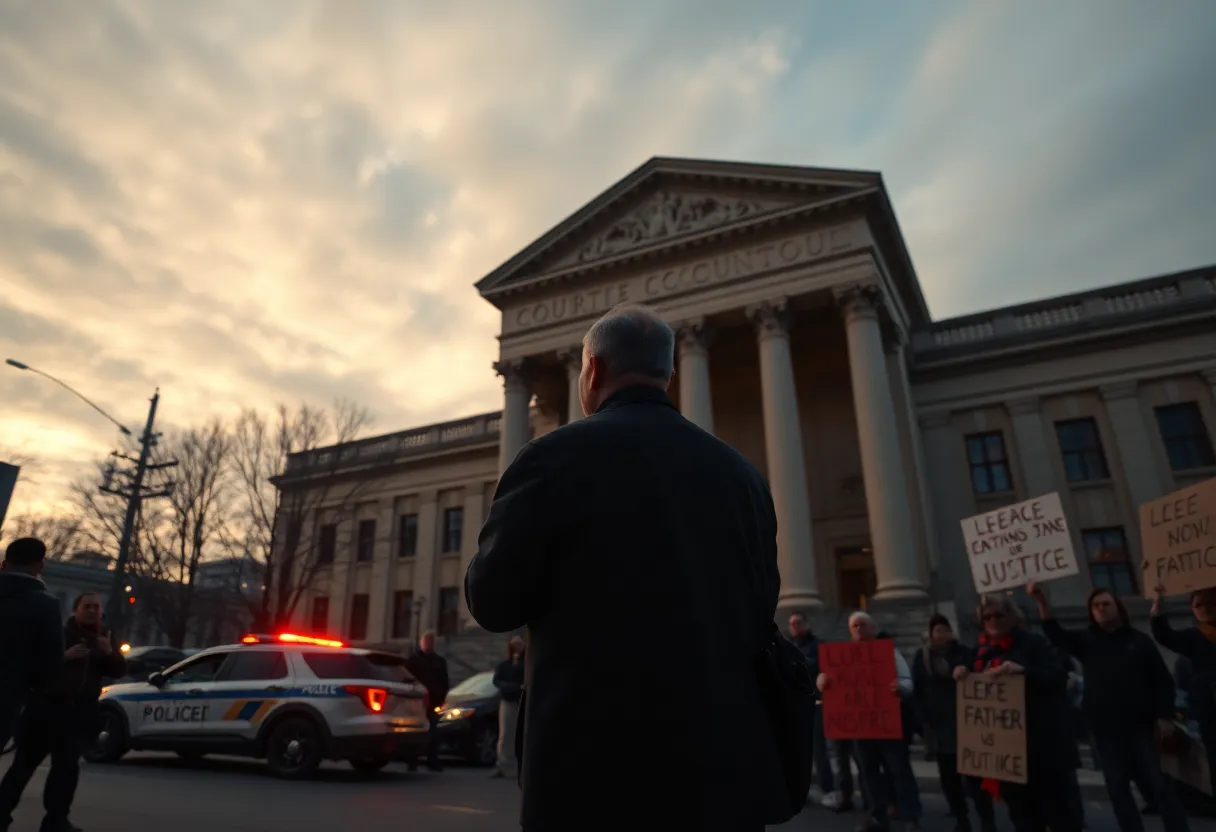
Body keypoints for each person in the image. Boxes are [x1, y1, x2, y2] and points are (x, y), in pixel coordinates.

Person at [465, 304, 786, 832]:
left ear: (591, 370)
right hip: (721, 773)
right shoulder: (744, 478)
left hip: (590, 776)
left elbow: (493, 603)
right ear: (668, 373)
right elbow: (762, 610)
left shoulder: (552, 458)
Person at [1030, 580, 1186, 832]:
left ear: (1118, 608)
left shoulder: (1140, 641)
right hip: (1104, 731)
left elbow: (1162, 682)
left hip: (1144, 728)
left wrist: (1166, 717)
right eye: (1096, 605)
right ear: (1091, 611)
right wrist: (1041, 601)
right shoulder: (1086, 640)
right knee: (1118, 788)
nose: (1101, 608)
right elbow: (1054, 632)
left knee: (1161, 786)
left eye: (1106, 603)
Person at [0, 591, 124, 832]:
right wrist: (64, 656)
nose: (91, 611)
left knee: (66, 771)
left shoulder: (105, 638)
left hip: (78, 715)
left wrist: (109, 652)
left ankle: (56, 821)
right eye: (86, 606)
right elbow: (33, 666)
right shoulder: (58, 634)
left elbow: (119, 670)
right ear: (75, 610)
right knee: (23, 766)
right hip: (45, 710)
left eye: (96, 607)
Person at [954, 594, 1078, 832]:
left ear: (1013, 617)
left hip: (1044, 750)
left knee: (1059, 817)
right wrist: (961, 672)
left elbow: (1058, 678)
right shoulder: (979, 653)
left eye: (999, 615)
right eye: (987, 616)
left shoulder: (1035, 644)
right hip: (1007, 757)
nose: (993, 620)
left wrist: (1024, 673)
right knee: (1023, 819)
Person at [818, 611, 922, 832]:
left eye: (862, 624)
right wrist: (822, 681)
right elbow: (826, 683)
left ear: (873, 628)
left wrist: (899, 687)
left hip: (888, 725)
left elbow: (908, 683)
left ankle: (910, 817)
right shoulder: (841, 659)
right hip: (861, 728)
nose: (858, 629)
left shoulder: (890, 654)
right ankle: (877, 816)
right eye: (854, 626)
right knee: (869, 773)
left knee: (899, 770)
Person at [912, 615, 995, 832]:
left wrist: (965, 669)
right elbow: (917, 690)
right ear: (931, 634)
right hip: (939, 728)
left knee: (976, 781)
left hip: (968, 724)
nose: (941, 634)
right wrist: (922, 721)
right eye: (937, 630)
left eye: (945, 629)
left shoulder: (965, 653)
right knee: (950, 782)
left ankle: (988, 821)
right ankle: (962, 820)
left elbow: (982, 675)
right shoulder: (923, 657)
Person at [0, 538, 64, 756]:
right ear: (40, 566)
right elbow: (50, 664)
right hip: (7, 699)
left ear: (4, 563)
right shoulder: (45, 605)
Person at [1150, 584, 1216, 790]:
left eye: (1208, 603)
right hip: (1209, 709)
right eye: (1197, 605)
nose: (1202, 608)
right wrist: (1158, 603)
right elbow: (1164, 635)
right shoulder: (1193, 637)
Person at [788, 612, 835, 801]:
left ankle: (828, 789)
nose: (795, 626)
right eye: (792, 624)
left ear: (806, 624)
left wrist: (799, 661)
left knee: (818, 749)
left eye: (798, 622)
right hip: (793, 705)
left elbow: (823, 669)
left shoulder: (818, 645)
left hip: (815, 704)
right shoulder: (787, 646)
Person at [404, 630, 449, 773]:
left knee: (432, 733)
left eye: (430, 641)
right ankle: (412, 761)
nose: (428, 644)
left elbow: (444, 682)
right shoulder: (413, 660)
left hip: (433, 702)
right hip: (416, 702)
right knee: (415, 732)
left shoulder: (439, 661)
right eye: (425, 641)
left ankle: (432, 760)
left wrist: (441, 700)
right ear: (420, 643)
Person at [490, 635, 524, 780]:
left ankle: (520, 767)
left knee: (521, 734)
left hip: (522, 701)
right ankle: (502, 765)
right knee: (505, 735)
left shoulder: (525, 664)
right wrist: (509, 687)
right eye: (514, 645)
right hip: (508, 700)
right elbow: (496, 680)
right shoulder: (504, 665)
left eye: (519, 645)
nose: (517, 648)